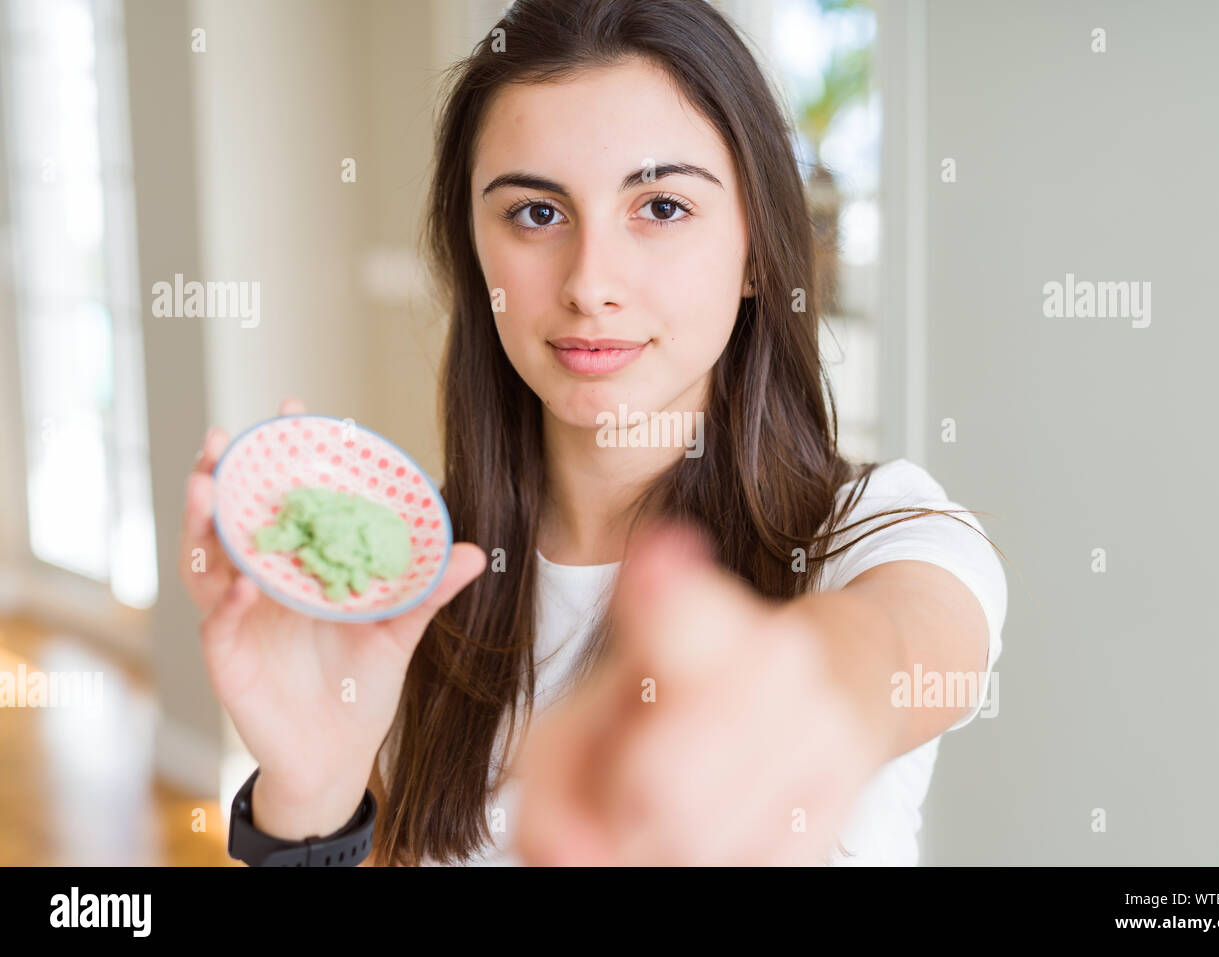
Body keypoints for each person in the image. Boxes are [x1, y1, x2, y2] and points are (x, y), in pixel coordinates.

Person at [180, 0, 1008, 867]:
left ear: (759, 250)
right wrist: (311, 793)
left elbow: (895, 648)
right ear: (474, 255)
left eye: (660, 205)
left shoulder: (889, 531)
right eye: (536, 214)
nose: (589, 283)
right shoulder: (411, 585)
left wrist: (803, 690)